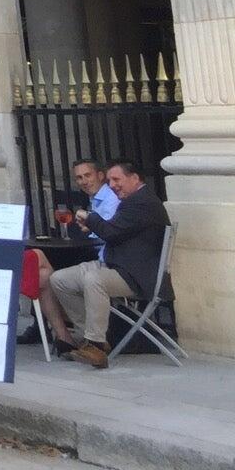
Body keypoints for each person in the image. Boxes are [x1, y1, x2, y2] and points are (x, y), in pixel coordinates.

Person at [47, 158, 171, 369]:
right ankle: (92, 339)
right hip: (115, 265)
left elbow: (110, 232)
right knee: (59, 279)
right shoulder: (130, 201)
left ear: (134, 178)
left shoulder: (142, 202)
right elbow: (113, 230)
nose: (113, 185)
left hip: (135, 275)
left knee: (94, 279)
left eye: (117, 179)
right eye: (111, 180)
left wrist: (89, 217)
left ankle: (94, 344)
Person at [30, 159, 118, 349]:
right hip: (93, 251)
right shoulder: (95, 199)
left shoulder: (110, 199)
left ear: (100, 176)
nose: (83, 181)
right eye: (79, 178)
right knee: (43, 270)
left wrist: (89, 227)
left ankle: (63, 331)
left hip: (103, 256)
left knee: (46, 267)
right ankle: (58, 331)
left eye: (88, 175)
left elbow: (108, 231)